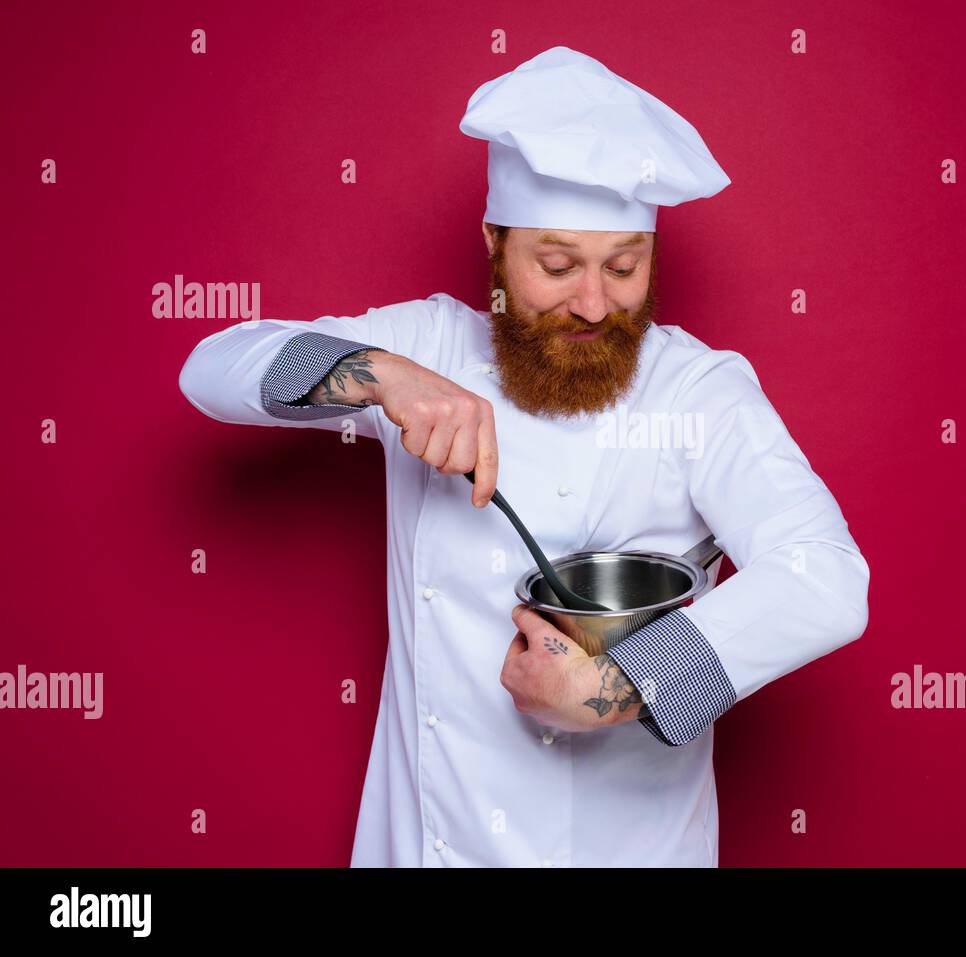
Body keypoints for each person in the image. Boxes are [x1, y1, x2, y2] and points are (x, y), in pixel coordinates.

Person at [178, 46, 870, 867]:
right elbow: (214, 368)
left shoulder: (697, 392)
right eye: (556, 264)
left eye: (624, 266)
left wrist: (614, 690)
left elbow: (826, 575)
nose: (592, 303)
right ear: (495, 244)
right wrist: (385, 377)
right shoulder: (430, 341)